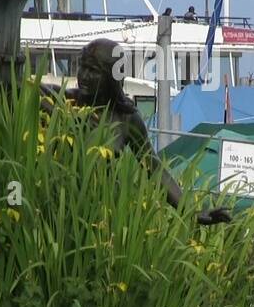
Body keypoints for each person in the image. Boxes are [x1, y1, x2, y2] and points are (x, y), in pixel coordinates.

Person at [57, 39, 231, 226]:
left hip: (101, 219)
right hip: (59, 214)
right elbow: (23, 90)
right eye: (82, 67)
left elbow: (154, 168)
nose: (83, 76)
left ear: (112, 76)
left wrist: (190, 211)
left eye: (93, 70)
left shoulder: (125, 119)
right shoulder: (61, 102)